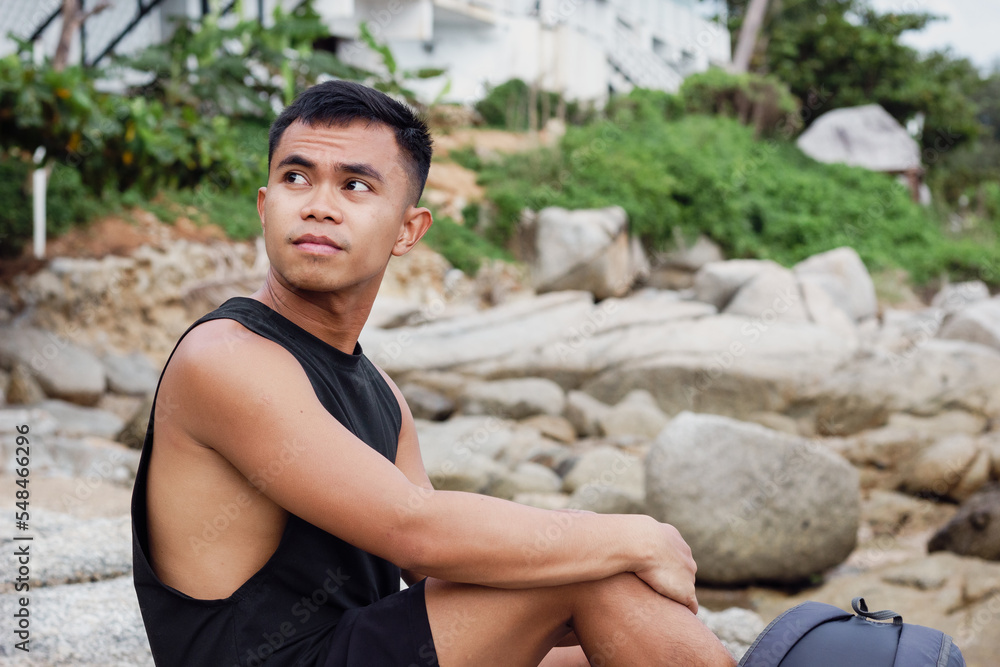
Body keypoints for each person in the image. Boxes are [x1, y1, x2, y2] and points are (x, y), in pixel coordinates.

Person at [130, 79, 736, 667]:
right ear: (265, 208)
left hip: (349, 647)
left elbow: (431, 572)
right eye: (296, 177)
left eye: (355, 185)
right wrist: (634, 537)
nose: (318, 206)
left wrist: (609, 606)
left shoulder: (383, 396)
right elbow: (413, 531)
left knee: (608, 625)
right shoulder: (223, 357)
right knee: (594, 578)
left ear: (408, 230)